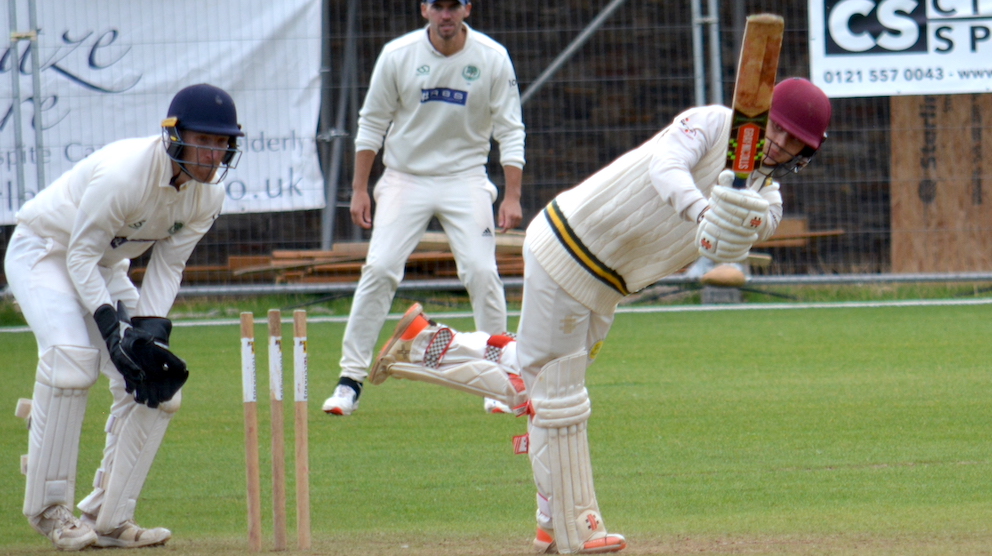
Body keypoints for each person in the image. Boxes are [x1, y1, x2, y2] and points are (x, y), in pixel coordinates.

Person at [364, 77, 832, 553]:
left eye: (795, 140)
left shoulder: (769, 200)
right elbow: (666, 166)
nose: (781, 142)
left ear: (805, 153)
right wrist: (701, 210)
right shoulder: (711, 122)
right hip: (570, 248)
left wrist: (731, 218)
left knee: (538, 384)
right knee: (559, 395)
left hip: (607, 286)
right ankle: (574, 527)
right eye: (777, 127)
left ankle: (424, 346)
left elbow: (739, 237)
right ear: (761, 115)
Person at [5, 83, 244, 551]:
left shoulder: (208, 194)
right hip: (46, 251)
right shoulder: (124, 174)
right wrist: (111, 328)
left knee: (157, 384)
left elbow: (169, 266)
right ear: (174, 135)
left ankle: (110, 516)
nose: (213, 155)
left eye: (222, 143)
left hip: (104, 266)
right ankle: (50, 512)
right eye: (204, 140)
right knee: (72, 362)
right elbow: (78, 256)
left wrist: (150, 330)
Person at [322, 0, 526, 416]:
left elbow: (510, 128)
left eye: (453, 6)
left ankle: (498, 377)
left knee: (482, 272)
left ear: (467, 9)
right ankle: (349, 381)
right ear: (424, 9)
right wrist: (359, 189)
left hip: (465, 177)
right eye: (438, 6)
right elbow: (372, 122)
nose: (445, 15)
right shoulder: (398, 55)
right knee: (380, 269)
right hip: (405, 177)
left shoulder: (492, 57)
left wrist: (512, 196)